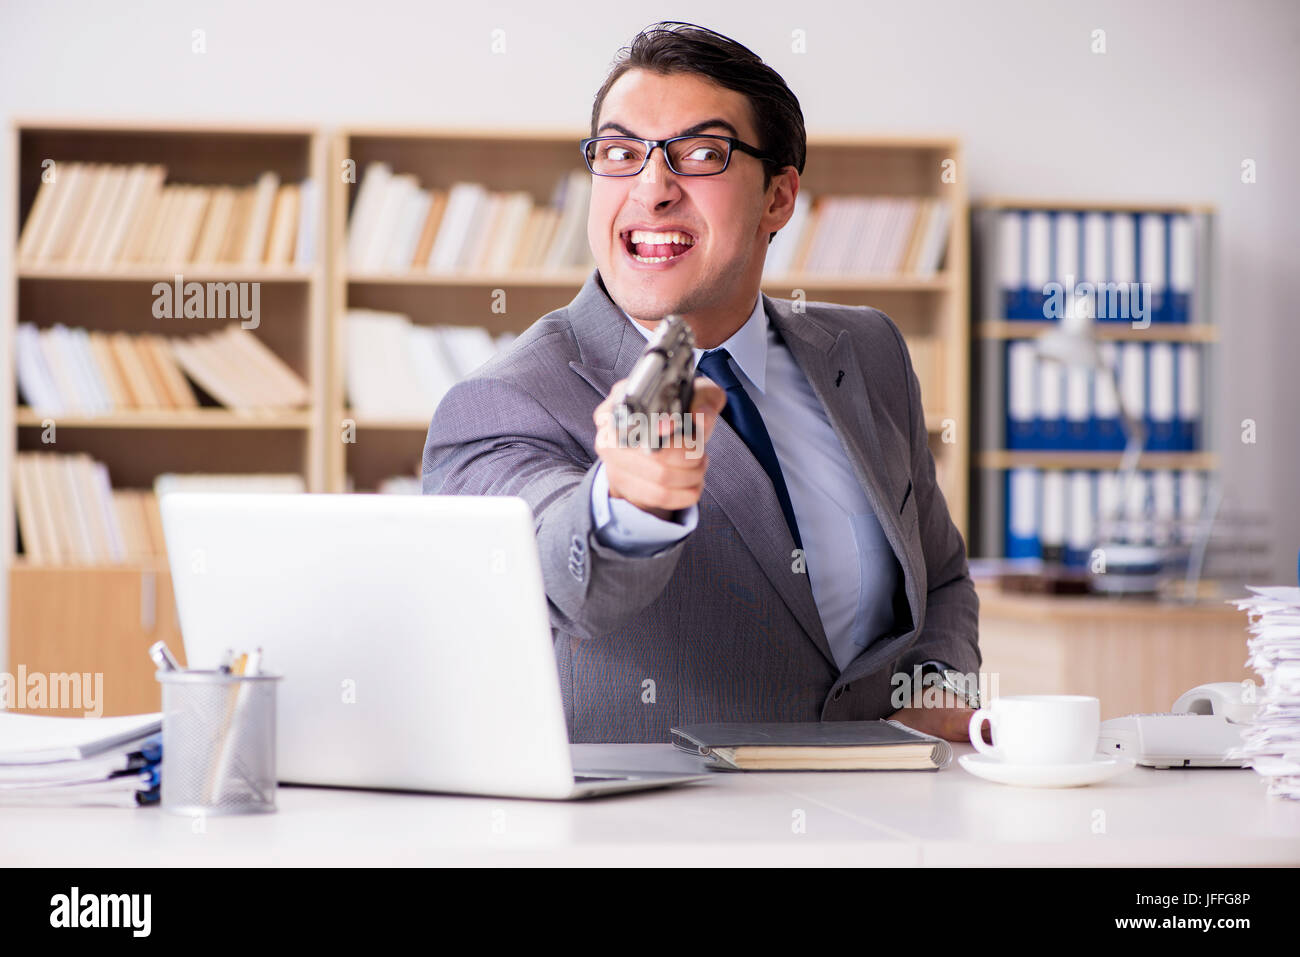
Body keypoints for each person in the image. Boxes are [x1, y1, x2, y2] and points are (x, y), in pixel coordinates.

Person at [423, 21, 981, 743]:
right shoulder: (501, 400)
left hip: (887, 830)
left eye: (700, 155)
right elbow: (555, 573)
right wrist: (627, 501)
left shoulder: (868, 350)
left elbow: (939, 578)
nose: (652, 189)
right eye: (620, 153)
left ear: (778, 199)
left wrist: (936, 691)